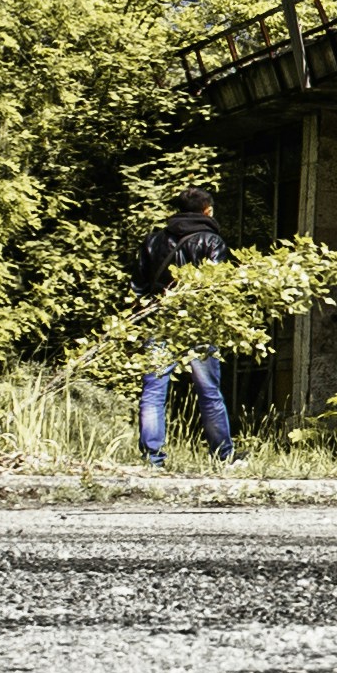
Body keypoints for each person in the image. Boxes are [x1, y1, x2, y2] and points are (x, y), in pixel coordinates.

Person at [129, 190, 239, 468]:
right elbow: (216, 287)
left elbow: (138, 286)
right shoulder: (212, 241)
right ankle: (223, 456)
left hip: (159, 321)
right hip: (197, 324)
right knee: (209, 392)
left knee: (153, 391)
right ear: (206, 210)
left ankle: (152, 459)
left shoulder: (154, 240)